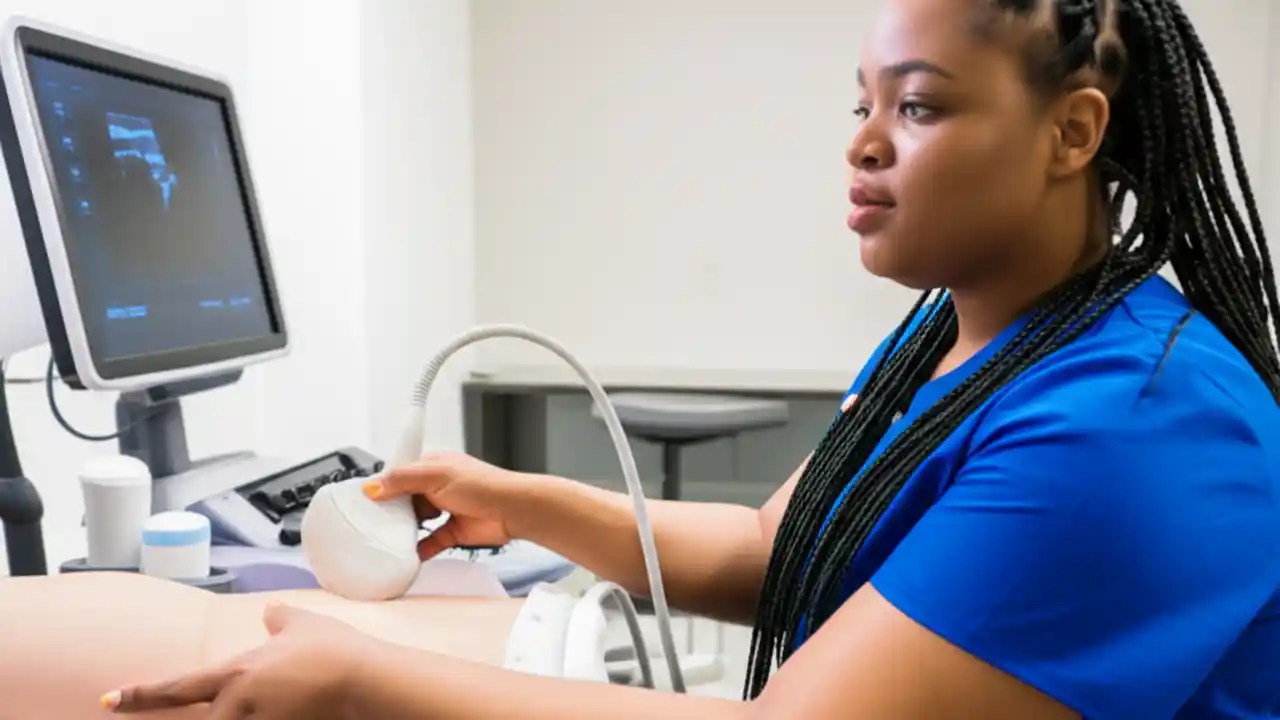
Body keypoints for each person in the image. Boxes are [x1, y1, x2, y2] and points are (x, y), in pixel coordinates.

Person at [10, 0, 1278, 716]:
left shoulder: (1137, 425)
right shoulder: (960, 333)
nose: (862, 146)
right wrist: (527, 505)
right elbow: (779, 556)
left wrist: (366, 684)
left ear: (1071, 132)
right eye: (861, 104)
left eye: (920, 106)